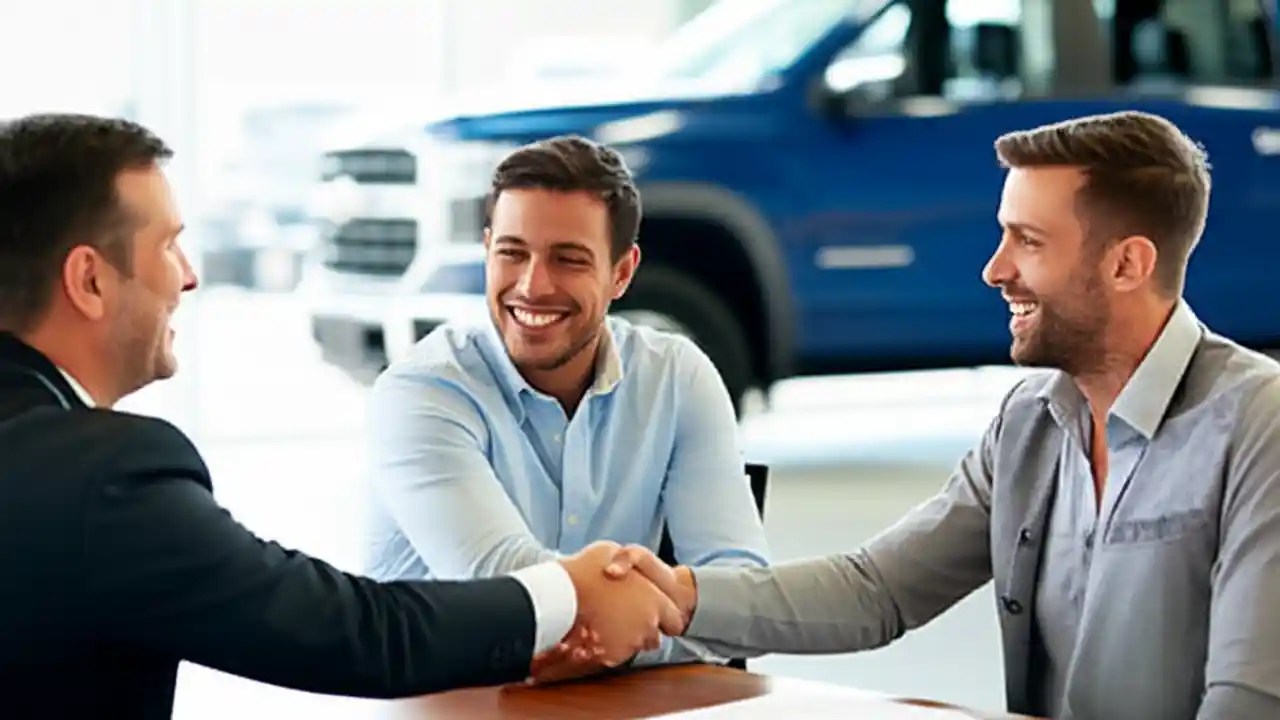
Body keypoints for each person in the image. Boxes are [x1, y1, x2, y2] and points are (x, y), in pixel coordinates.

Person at [599, 111, 1280, 719]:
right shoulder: (1029, 423)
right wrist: (678, 597)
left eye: (1029, 242)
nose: (994, 269)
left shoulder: (1258, 422)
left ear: (1128, 264)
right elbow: (879, 590)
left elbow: (1248, 701)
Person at [0, 113, 683, 719]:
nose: (187, 275)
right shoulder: (104, 480)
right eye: (168, 246)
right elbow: (359, 634)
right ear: (89, 280)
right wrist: (569, 592)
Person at [363, 134, 769, 677]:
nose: (532, 285)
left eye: (568, 259)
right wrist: (658, 621)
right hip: (444, 707)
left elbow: (740, 596)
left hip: (613, 709)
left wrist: (601, 643)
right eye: (512, 253)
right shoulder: (422, 392)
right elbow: (503, 587)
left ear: (622, 273)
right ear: (487, 250)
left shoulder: (676, 376)